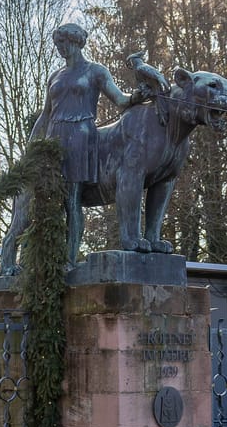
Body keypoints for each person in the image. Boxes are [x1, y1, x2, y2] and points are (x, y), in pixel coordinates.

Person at [32, 23, 144, 266]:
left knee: (73, 200)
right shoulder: (55, 76)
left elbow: (119, 98)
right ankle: (50, 259)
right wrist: (32, 145)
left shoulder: (95, 71)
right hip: (54, 138)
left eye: (64, 43)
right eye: (57, 44)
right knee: (51, 201)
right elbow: (45, 113)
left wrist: (136, 97)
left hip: (80, 137)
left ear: (76, 42)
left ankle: (69, 260)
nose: (60, 48)